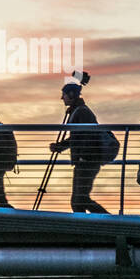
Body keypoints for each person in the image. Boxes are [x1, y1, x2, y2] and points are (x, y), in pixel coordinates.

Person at [49, 81, 109, 213]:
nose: (61, 98)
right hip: (85, 161)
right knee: (79, 200)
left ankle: (111, 222)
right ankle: (88, 225)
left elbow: (88, 136)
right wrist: (60, 146)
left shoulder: (81, 112)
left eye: (63, 95)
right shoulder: (79, 111)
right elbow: (78, 137)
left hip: (86, 162)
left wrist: (84, 156)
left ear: (71, 94)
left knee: (79, 200)